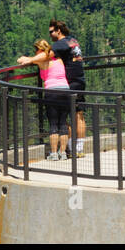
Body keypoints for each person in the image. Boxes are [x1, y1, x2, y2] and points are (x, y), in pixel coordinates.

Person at [17, 39, 71, 161]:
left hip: (52, 91)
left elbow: (21, 61)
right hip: (66, 90)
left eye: (36, 50)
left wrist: (28, 58)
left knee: (53, 124)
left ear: (39, 50)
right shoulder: (59, 59)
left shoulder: (41, 61)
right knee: (63, 122)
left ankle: (53, 154)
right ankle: (62, 153)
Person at [49, 20, 86, 157]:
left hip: (68, 82)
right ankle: (79, 149)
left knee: (65, 114)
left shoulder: (59, 44)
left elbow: (47, 55)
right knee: (78, 113)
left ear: (59, 31)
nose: (50, 34)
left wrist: (29, 60)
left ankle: (70, 148)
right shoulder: (72, 40)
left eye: (51, 31)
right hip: (80, 80)